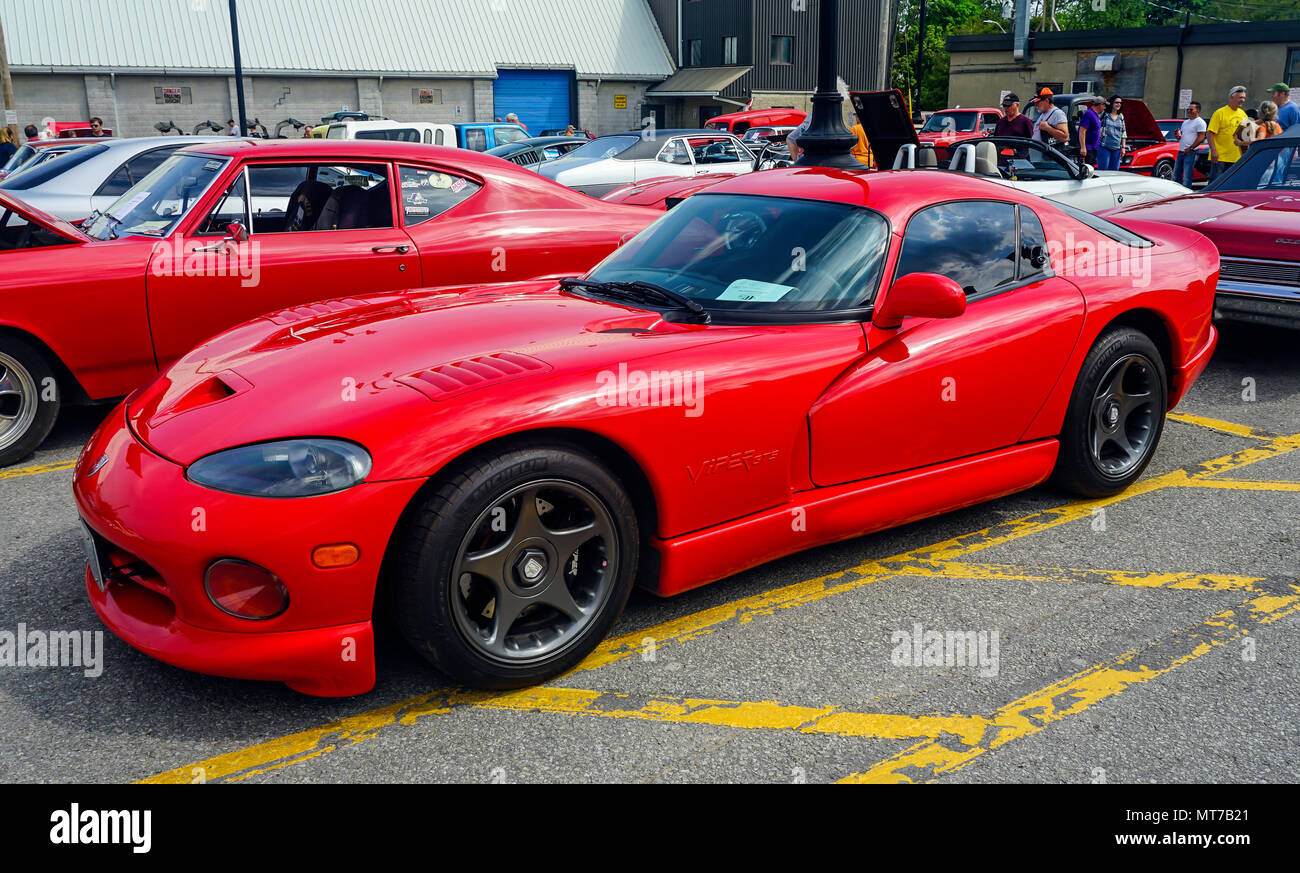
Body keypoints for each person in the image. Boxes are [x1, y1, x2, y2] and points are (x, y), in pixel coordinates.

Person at [1207, 85, 1248, 181]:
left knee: (1231, 186)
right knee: (1216, 185)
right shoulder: (1220, 113)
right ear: (1231, 98)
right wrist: (1213, 151)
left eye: (1244, 98)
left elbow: (1246, 135)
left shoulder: (1243, 114)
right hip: (1220, 157)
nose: (1243, 100)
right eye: (1240, 97)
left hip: (1237, 158)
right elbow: (1210, 133)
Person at [1174, 101, 1206, 188]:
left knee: (1187, 176)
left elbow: (1201, 137)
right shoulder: (1185, 122)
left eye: (1191, 109)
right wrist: (1178, 136)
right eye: (1188, 109)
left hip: (1191, 152)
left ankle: (1186, 195)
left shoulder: (1200, 122)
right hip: (1181, 151)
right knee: (1176, 174)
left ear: (1198, 110)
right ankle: (1176, 193)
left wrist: (1191, 148)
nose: (1189, 111)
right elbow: (1183, 136)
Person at [1096, 96, 1127, 171]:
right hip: (1104, 147)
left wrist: (1123, 148)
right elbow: (1096, 127)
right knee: (1103, 170)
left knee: (1114, 172)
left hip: (1116, 148)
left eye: (1120, 103)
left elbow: (1123, 132)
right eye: (1117, 102)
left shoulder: (1121, 116)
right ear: (1112, 103)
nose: (1119, 104)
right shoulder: (1104, 115)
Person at [1077, 95, 1104, 165]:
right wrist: (1083, 147)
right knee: (1087, 168)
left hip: (1094, 147)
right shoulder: (1088, 114)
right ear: (1100, 105)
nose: (1104, 108)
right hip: (1088, 148)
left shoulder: (1096, 115)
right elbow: (1082, 131)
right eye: (1104, 105)